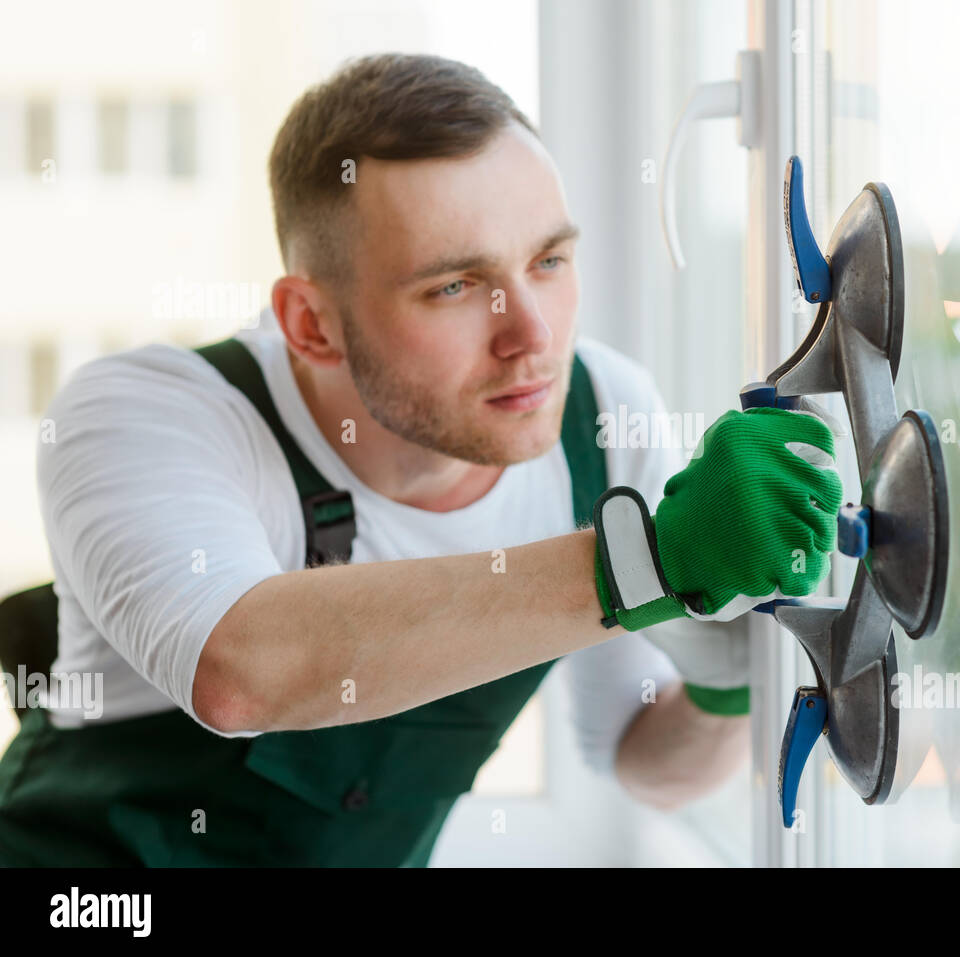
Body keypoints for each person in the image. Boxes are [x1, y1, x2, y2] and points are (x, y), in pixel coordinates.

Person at [0, 53, 841, 866]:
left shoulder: (603, 415)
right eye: (454, 287)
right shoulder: (148, 411)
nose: (534, 339)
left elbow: (637, 754)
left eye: (549, 261)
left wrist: (728, 685)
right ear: (310, 324)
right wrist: (647, 563)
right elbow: (240, 670)